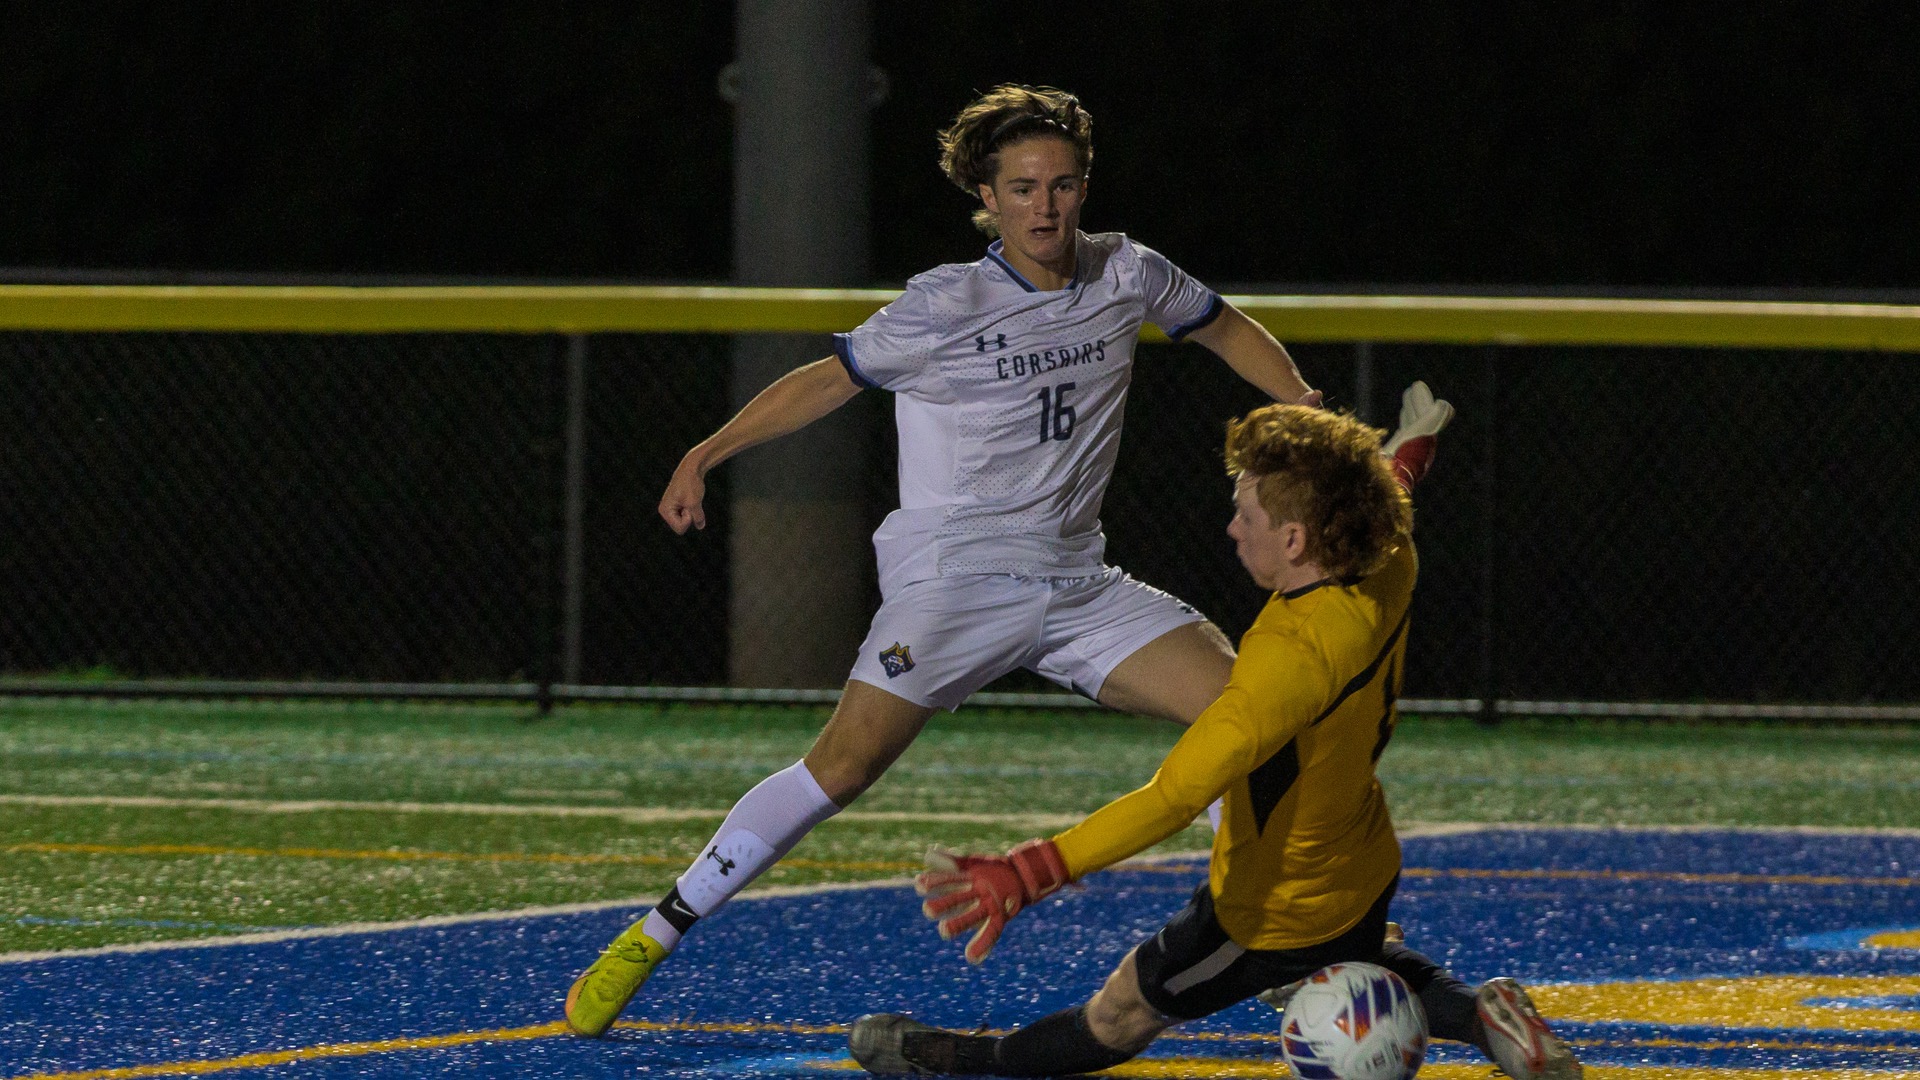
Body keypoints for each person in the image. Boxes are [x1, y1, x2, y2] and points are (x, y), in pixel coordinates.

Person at [564, 83, 1322, 1037]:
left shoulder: (1128, 272)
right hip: (956, 579)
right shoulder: (944, 303)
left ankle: (1266, 946)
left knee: (1246, 716)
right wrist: (705, 453)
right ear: (987, 196)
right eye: (1022, 187)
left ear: (1085, 188)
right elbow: (824, 382)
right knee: (840, 768)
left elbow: (1221, 324)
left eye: (1062, 184)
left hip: (1080, 582)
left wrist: (1309, 407)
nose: (1045, 206)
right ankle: (656, 931)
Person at [847, 392, 1585, 1080]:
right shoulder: (1387, 560)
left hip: (1270, 907)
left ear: (1296, 538)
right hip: (1360, 859)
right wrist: (1412, 447)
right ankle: (1483, 1017)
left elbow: (1173, 797)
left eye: (1247, 515)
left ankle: (965, 1062)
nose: (1233, 527)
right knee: (1357, 955)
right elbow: (1388, 495)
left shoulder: (1283, 667)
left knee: (1121, 1014)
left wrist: (1030, 871)